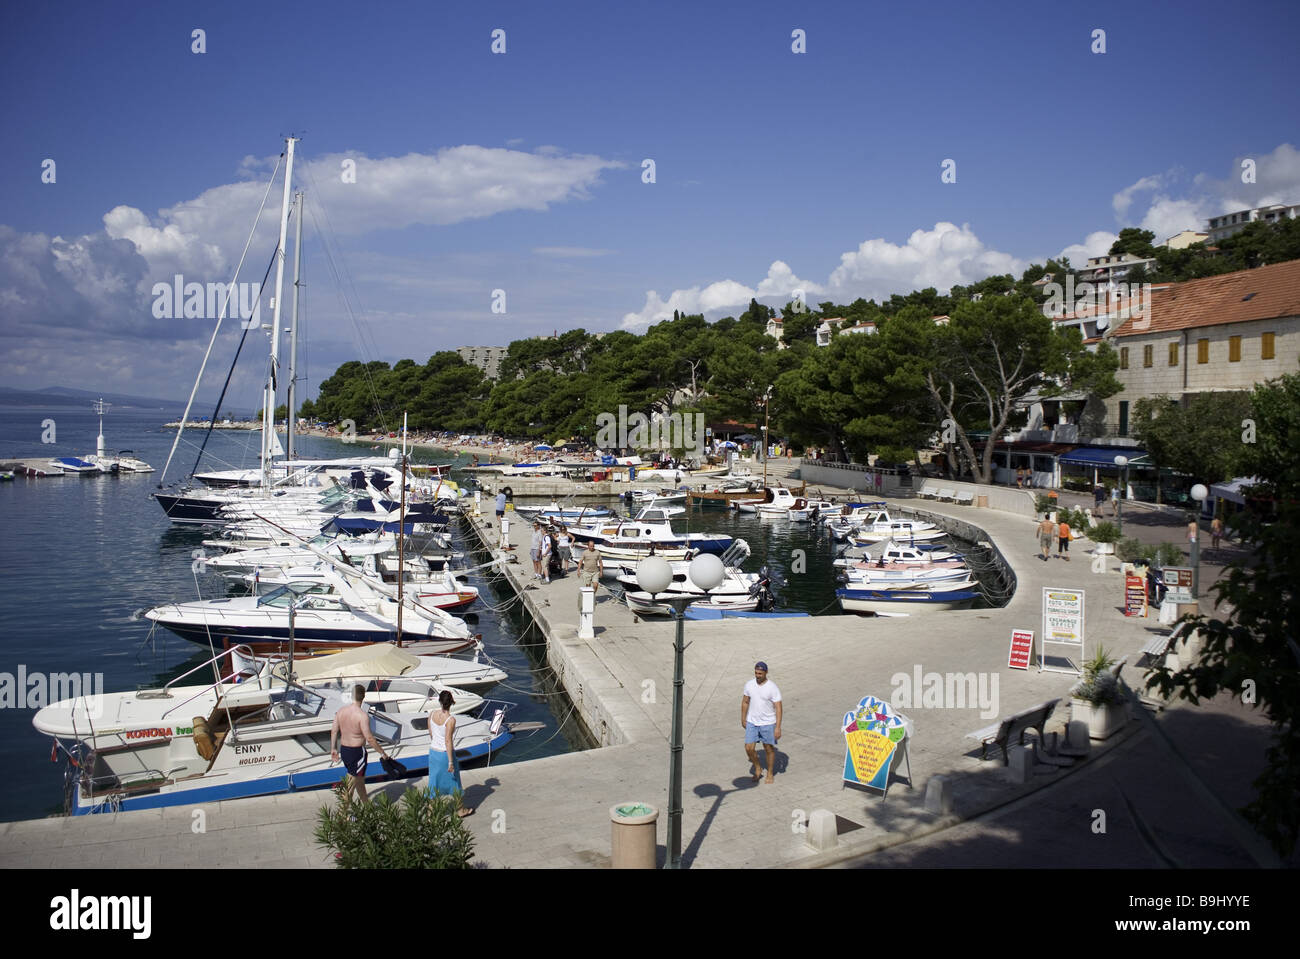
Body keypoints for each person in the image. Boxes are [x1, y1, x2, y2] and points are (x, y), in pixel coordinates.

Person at [330, 684, 392, 804]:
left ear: (352, 696)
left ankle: (367, 807)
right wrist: (382, 753)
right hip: (357, 752)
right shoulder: (362, 716)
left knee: (359, 780)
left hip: (345, 750)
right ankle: (344, 818)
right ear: (363, 697)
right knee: (350, 787)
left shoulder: (341, 711)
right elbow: (369, 738)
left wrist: (333, 748)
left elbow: (334, 731)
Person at [427, 690, 473, 818]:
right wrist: (451, 761)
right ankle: (460, 810)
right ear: (451, 702)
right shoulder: (450, 720)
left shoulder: (431, 715)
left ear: (440, 701)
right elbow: (448, 741)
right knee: (454, 781)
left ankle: (430, 813)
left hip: (433, 752)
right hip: (444, 754)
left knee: (433, 782)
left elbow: (431, 733)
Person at [742, 662, 782, 784]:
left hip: (768, 723)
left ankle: (770, 772)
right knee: (748, 748)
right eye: (756, 673)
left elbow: (778, 708)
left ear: (766, 673)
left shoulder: (772, 687)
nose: (757, 675)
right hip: (752, 722)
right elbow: (745, 702)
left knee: (768, 748)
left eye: (760, 673)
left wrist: (778, 727)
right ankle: (758, 768)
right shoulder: (749, 685)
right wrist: (743, 718)